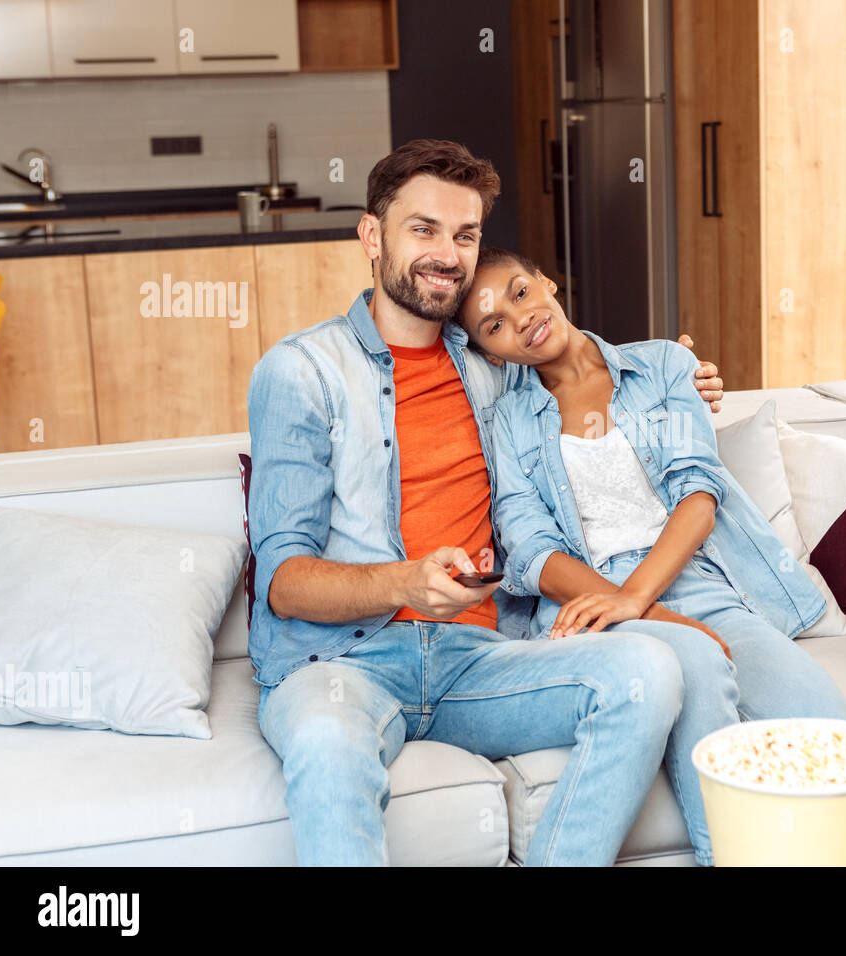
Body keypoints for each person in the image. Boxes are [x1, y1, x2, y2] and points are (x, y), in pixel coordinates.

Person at [246, 139, 727, 866]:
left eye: (464, 235)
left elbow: (579, 365)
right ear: (373, 237)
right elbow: (283, 580)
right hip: (342, 664)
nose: (447, 254)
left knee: (649, 672)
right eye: (424, 229)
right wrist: (405, 583)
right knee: (324, 739)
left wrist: (678, 374)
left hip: (481, 657)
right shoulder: (301, 373)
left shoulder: (491, 365)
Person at [455, 247, 846, 863]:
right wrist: (627, 607)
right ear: (492, 353)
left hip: (695, 581)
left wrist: (639, 597)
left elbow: (700, 495)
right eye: (493, 325)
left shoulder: (664, 366)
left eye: (520, 292)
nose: (519, 319)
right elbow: (531, 548)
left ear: (546, 282)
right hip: (586, 602)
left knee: (832, 728)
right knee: (699, 669)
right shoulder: (506, 424)